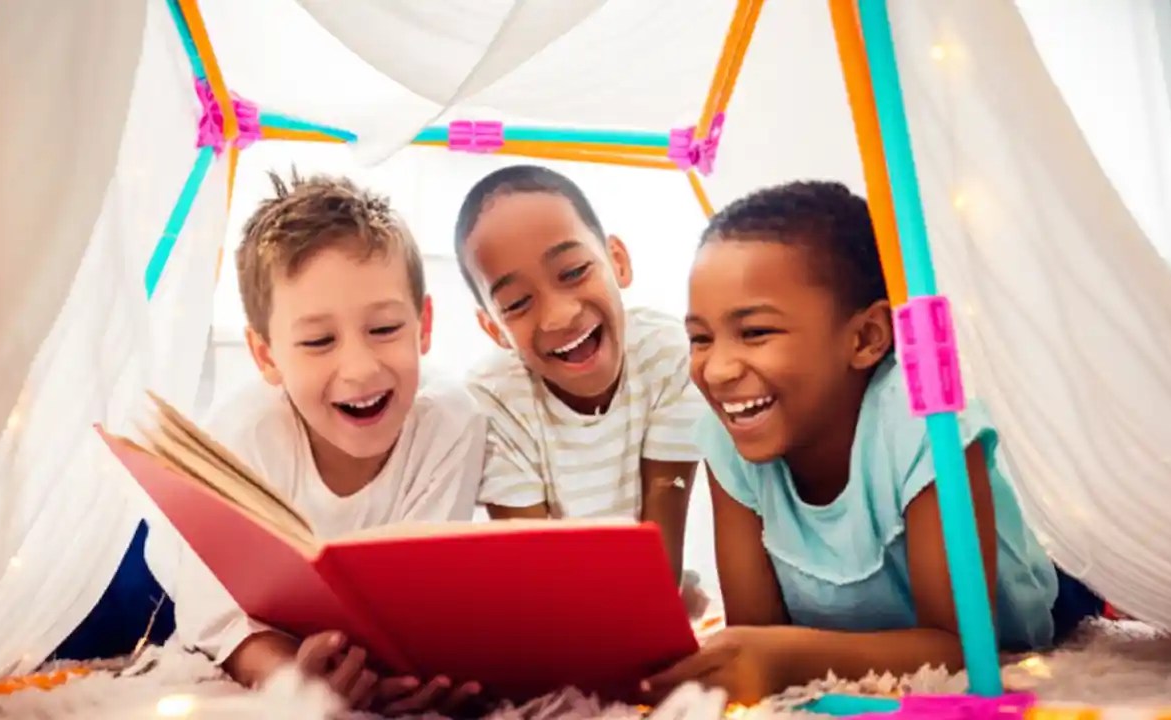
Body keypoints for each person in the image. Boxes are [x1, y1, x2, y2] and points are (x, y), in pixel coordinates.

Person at [640, 181, 1102, 704]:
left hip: (1027, 606)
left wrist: (784, 659)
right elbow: (757, 632)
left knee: (1081, 588)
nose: (718, 369)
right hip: (866, 624)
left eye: (756, 333)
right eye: (701, 338)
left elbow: (962, 651)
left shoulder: (925, 421)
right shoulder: (728, 439)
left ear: (865, 339)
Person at [158, 171, 486, 714]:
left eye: (384, 329)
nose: (359, 369)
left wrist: (395, 675)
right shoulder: (242, 435)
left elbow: (418, 605)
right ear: (266, 356)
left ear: (423, 325)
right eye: (318, 341)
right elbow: (212, 617)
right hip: (155, 570)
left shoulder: (452, 422)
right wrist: (290, 677)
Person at [454, 164, 705, 599]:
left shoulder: (668, 355)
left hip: (652, 590)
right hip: (556, 605)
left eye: (573, 272)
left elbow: (660, 549)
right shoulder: (493, 401)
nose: (559, 315)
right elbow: (536, 573)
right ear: (494, 330)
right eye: (517, 303)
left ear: (618, 262)